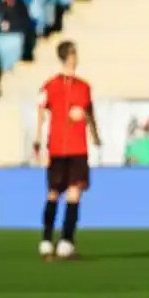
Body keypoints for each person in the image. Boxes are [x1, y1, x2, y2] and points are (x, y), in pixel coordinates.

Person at [33, 40, 100, 261]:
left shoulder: (81, 86)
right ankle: (49, 240)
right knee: (56, 193)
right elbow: (42, 111)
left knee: (72, 193)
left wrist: (94, 134)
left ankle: (62, 242)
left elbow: (88, 112)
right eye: (74, 53)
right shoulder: (51, 85)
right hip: (62, 147)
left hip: (74, 146)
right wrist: (38, 139)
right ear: (69, 56)